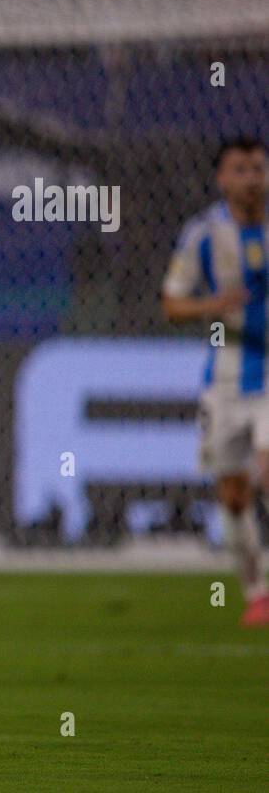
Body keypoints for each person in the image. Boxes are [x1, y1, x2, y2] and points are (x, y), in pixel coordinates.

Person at [162, 137, 269, 627]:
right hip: (224, 377)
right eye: (240, 170)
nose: (251, 178)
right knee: (232, 495)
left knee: (266, 473)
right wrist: (215, 305)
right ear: (222, 179)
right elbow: (172, 302)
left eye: (258, 168)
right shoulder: (203, 233)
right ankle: (257, 591)